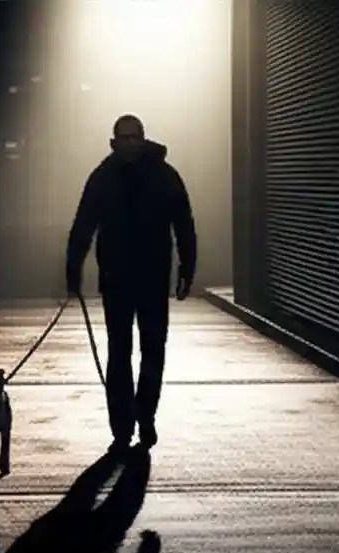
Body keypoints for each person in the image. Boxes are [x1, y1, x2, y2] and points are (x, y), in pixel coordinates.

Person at [66, 114, 197, 454]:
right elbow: (84, 224)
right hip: (116, 279)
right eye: (123, 138)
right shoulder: (103, 177)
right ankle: (123, 426)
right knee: (120, 353)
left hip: (153, 279)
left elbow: (184, 223)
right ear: (114, 142)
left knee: (152, 350)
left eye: (134, 137)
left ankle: (145, 416)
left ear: (142, 139)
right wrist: (73, 265)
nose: (129, 143)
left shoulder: (164, 177)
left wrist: (187, 266)